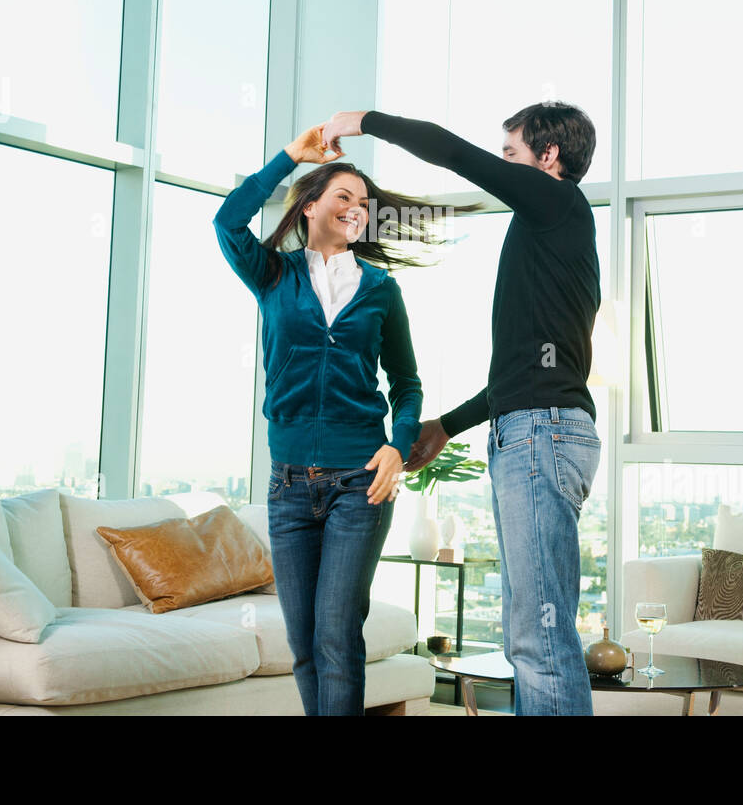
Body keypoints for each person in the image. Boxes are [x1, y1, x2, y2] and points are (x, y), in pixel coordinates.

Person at [320, 103, 602, 716]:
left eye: (511, 153)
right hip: (539, 427)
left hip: (541, 435)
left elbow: (450, 151)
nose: (503, 166)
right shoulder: (554, 232)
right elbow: (525, 375)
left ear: (547, 158)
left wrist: (360, 121)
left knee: (539, 637)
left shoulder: (554, 203)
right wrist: (447, 427)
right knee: (534, 631)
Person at [212, 124, 471, 715]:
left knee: (336, 633)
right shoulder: (274, 275)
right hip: (290, 486)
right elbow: (227, 222)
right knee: (303, 644)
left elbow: (407, 385)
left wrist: (396, 448)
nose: (356, 209)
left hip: (362, 481)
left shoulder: (381, 289)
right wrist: (289, 158)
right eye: (343, 197)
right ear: (309, 208)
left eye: (364, 203)